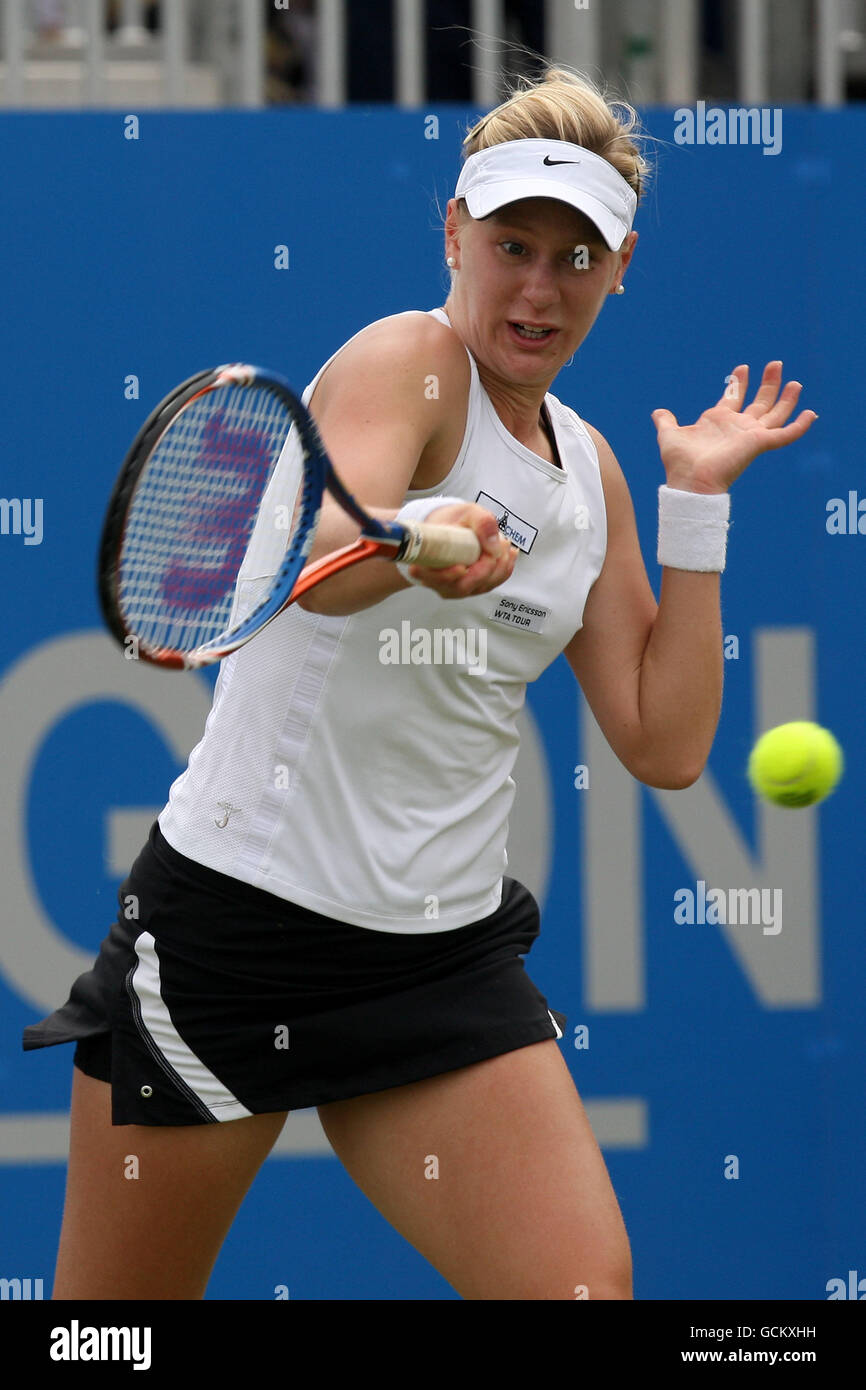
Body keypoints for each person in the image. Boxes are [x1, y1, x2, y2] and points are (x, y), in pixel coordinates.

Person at [22, 65, 816, 1301]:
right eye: (510, 244)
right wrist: (414, 541)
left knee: (579, 1294)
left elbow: (663, 744)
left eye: (575, 257)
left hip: (437, 962)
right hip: (238, 937)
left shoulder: (590, 474)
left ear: (621, 269)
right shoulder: (409, 362)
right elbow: (315, 570)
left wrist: (694, 509)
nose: (538, 287)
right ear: (452, 232)